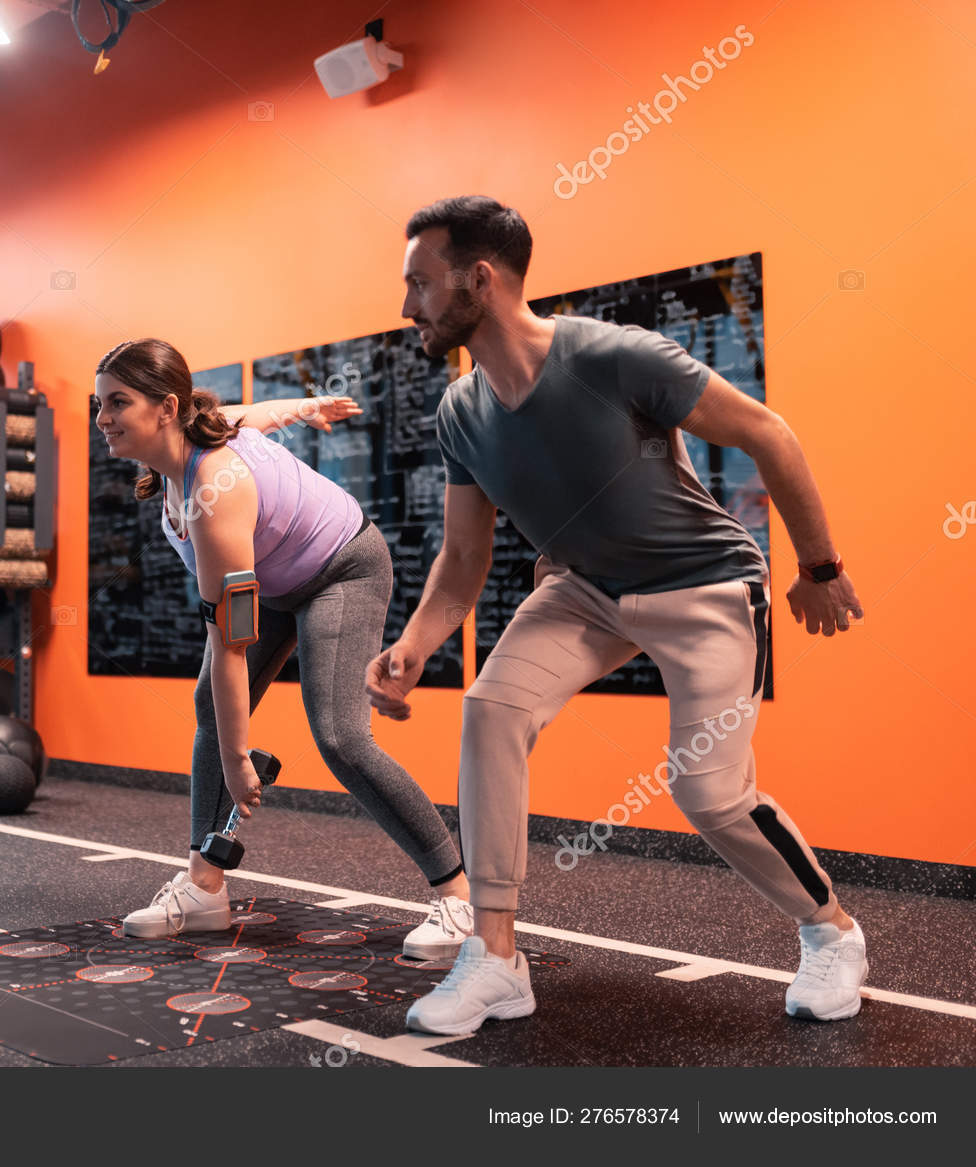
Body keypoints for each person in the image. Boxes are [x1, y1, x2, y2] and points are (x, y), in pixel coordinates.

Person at [368, 196, 868, 1035]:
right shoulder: (462, 412)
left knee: (707, 790)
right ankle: (495, 958)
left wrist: (819, 567)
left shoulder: (611, 356)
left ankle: (832, 931)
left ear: (479, 280)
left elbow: (768, 434)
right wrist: (416, 644)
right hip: (587, 589)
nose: (406, 304)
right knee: (491, 710)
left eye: (419, 282)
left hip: (704, 585)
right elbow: (462, 559)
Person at [94, 338, 474, 956]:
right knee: (207, 711)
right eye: (98, 403)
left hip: (343, 567)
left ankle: (462, 899)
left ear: (166, 408)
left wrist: (240, 757)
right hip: (278, 580)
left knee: (342, 738)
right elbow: (255, 414)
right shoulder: (193, 441)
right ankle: (204, 887)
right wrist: (305, 406)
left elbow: (229, 647)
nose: (103, 419)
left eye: (118, 402)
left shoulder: (213, 491)